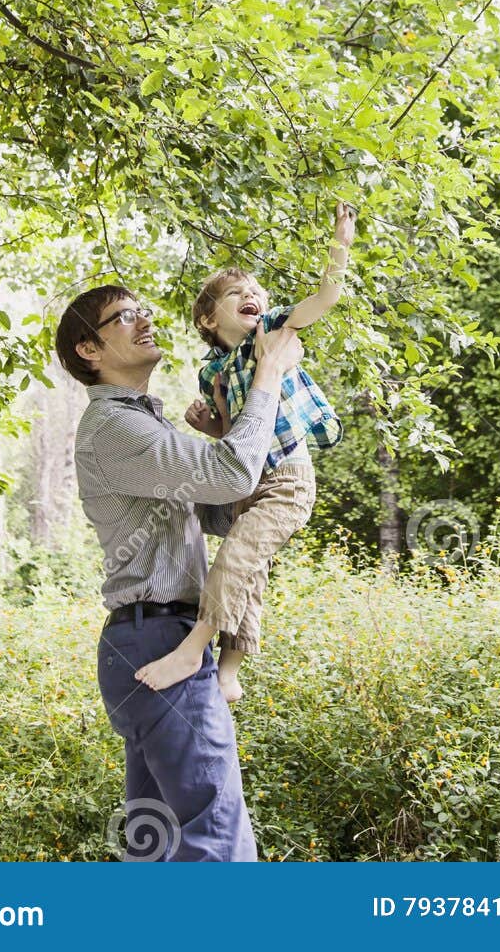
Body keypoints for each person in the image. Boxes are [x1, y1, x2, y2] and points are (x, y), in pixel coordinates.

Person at [59, 283, 304, 863]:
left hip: (147, 640)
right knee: (216, 846)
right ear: (89, 350)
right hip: (160, 641)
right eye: (124, 317)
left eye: (143, 310)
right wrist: (267, 373)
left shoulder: (147, 425)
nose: (144, 321)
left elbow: (220, 507)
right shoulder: (115, 427)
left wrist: (270, 474)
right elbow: (232, 475)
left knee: (157, 850)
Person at [134, 202, 355, 703]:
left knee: (233, 561)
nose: (251, 295)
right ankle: (230, 672)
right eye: (237, 293)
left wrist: (340, 242)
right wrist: (212, 426)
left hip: (288, 480)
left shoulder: (274, 332)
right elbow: (239, 435)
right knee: (248, 574)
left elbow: (326, 296)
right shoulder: (212, 374)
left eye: (256, 291)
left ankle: (194, 649)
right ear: (209, 319)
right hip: (246, 482)